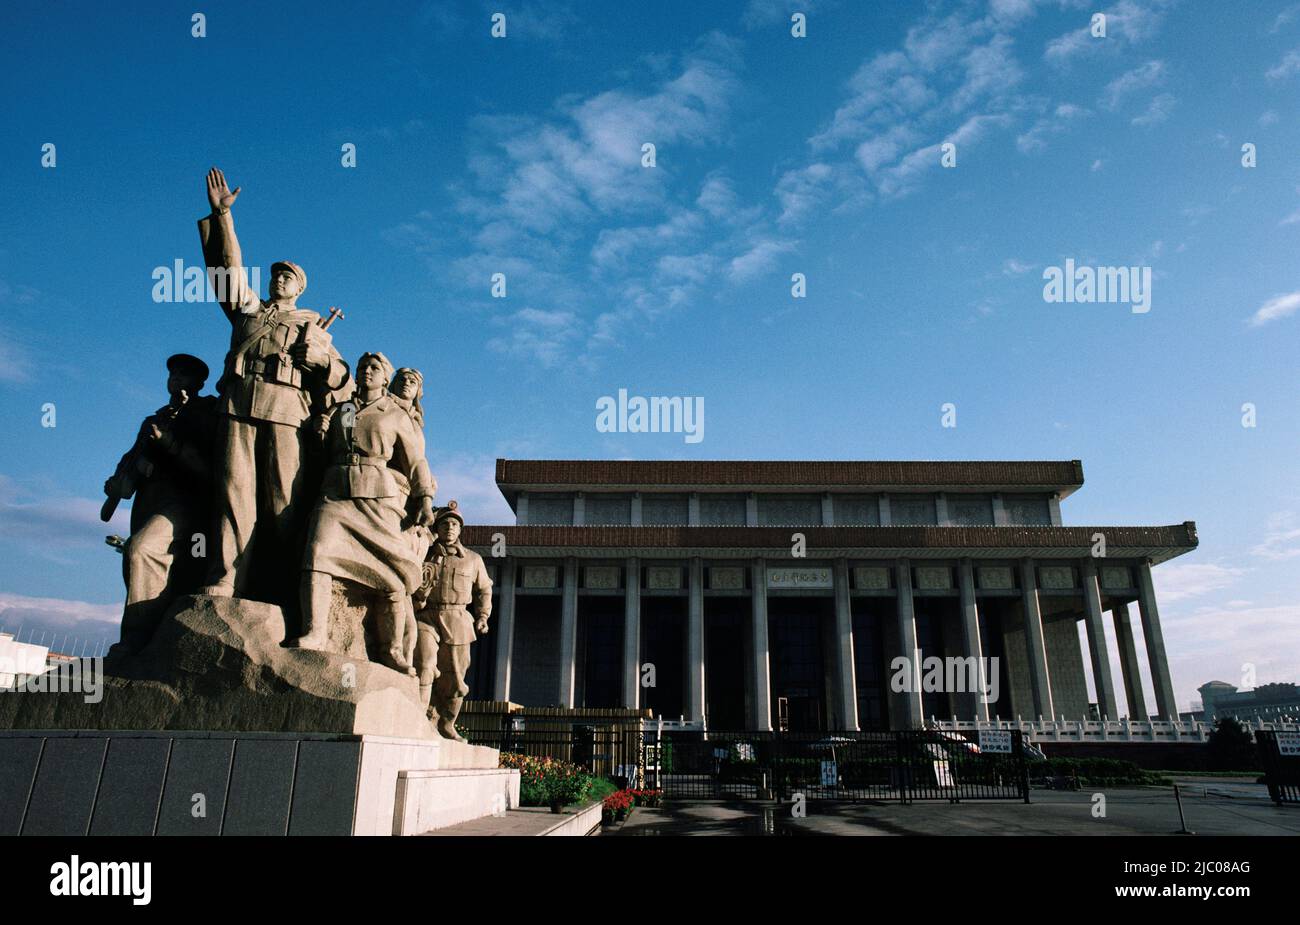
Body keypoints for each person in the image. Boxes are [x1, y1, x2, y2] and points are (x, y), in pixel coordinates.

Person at [196, 167, 350, 601]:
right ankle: (226, 575)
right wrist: (223, 218)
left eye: (289, 277)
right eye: (277, 274)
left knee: (284, 501)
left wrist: (320, 360)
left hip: (287, 414)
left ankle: (282, 586)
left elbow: (343, 381)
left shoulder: (312, 326)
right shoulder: (247, 310)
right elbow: (227, 268)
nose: (280, 279)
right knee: (233, 493)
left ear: (300, 288)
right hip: (239, 404)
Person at [292, 352, 435, 672]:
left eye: (374, 369)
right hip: (336, 493)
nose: (366, 372)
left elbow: (415, 461)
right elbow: (320, 451)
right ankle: (314, 631)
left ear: (385, 378)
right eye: (362, 368)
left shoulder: (395, 414)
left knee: (394, 570)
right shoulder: (343, 410)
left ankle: (392, 648)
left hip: (377, 497)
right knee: (317, 555)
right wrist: (321, 429)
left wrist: (425, 498)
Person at [105, 354, 218, 652]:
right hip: (148, 501)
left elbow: (211, 467)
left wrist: (170, 444)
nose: (176, 378)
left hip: (183, 501)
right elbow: (131, 458)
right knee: (134, 556)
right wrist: (119, 479)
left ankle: (136, 636)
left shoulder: (206, 412)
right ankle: (142, 634)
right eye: (173, 373)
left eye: (185, 374)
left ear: (200, 382)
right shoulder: (155, 418)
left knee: (142, 549)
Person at [411, 501, 492, 741]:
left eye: (454, 524)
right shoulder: (424, 553)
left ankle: (446, 723)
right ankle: (417, 718)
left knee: (455, 680)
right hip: (427, 617)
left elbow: (484, 589)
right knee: (424, 667)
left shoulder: (473, 560)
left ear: (460, 529)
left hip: (457, 620)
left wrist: (483, 616)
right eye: (445, 523)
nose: (450, 527)